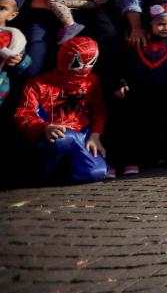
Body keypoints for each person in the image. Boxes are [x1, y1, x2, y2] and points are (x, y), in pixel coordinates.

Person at [14, 36, 109, 184]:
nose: (84, 69)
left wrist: (95, 135)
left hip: (82, 136)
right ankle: (41, 174)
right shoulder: (38, 84)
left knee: (97, 172)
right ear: (66, 59)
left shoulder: (92, 81)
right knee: (64, 138)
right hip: (52, 137)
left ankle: (63, 173)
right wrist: (44, 127)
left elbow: (99, 110)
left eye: (90, 63)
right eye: (78, 63)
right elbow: (24, 114)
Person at [109, 3, 167, 174]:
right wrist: (119, 81)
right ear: (150, 23)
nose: (166, 28)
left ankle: (155, 157)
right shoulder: (136, 40)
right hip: (137, 92)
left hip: (165, 93)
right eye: (161, 24)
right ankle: (127, 160)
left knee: (160, 125)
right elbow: (119, 64)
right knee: (133, 125)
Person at [0, 0, 30, 107]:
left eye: (2, 8)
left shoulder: (14, 37)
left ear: (12, 15)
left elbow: (20, 65)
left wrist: (19, 61)